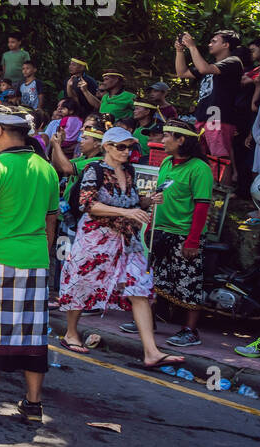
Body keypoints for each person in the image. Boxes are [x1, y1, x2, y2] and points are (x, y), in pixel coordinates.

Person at [0, 106, 60, 421]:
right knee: (32, 335)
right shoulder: (47, 169)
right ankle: (33, 404)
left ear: (0, 132)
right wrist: (41, 254)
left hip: (0, 261)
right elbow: (51, 223)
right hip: (36, 261)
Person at [56, 128, 179, 367]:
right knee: (82, 282)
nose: (127, 152)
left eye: (130, 147)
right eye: (121, 147)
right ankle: (71, 332)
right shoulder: (95, 170)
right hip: (95, 237)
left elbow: (133, 202)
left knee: (139, 287)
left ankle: (151, 351)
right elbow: (88, 204)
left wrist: (147, 201)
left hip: (126, 240)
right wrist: (127, 211)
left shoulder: (130, 171)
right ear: (107, 147)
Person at [147, 120, 214, 349]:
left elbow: (202, 206)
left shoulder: (200, 168)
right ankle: (149, 322)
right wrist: (150, 226)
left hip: (184, 234)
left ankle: (190, 331)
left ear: (181, 140)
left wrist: (193, 239)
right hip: (161, 229)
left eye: (167, 135)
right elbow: (158, 194)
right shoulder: (166, 162)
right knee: (155, 279)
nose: (162, 139)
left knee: (189, 282)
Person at [177, 29, 245, 183]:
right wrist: (179, 50)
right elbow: (182, 72)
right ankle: (206, 191)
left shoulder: (233, 61)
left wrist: (192, 47)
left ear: (226, 45)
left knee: (220, 158)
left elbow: (203, 69)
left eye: (214, 41)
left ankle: (221, 196)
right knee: (199, 156)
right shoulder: (213, 65)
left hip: (218, 117)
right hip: (203, 117)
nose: (210, 44)